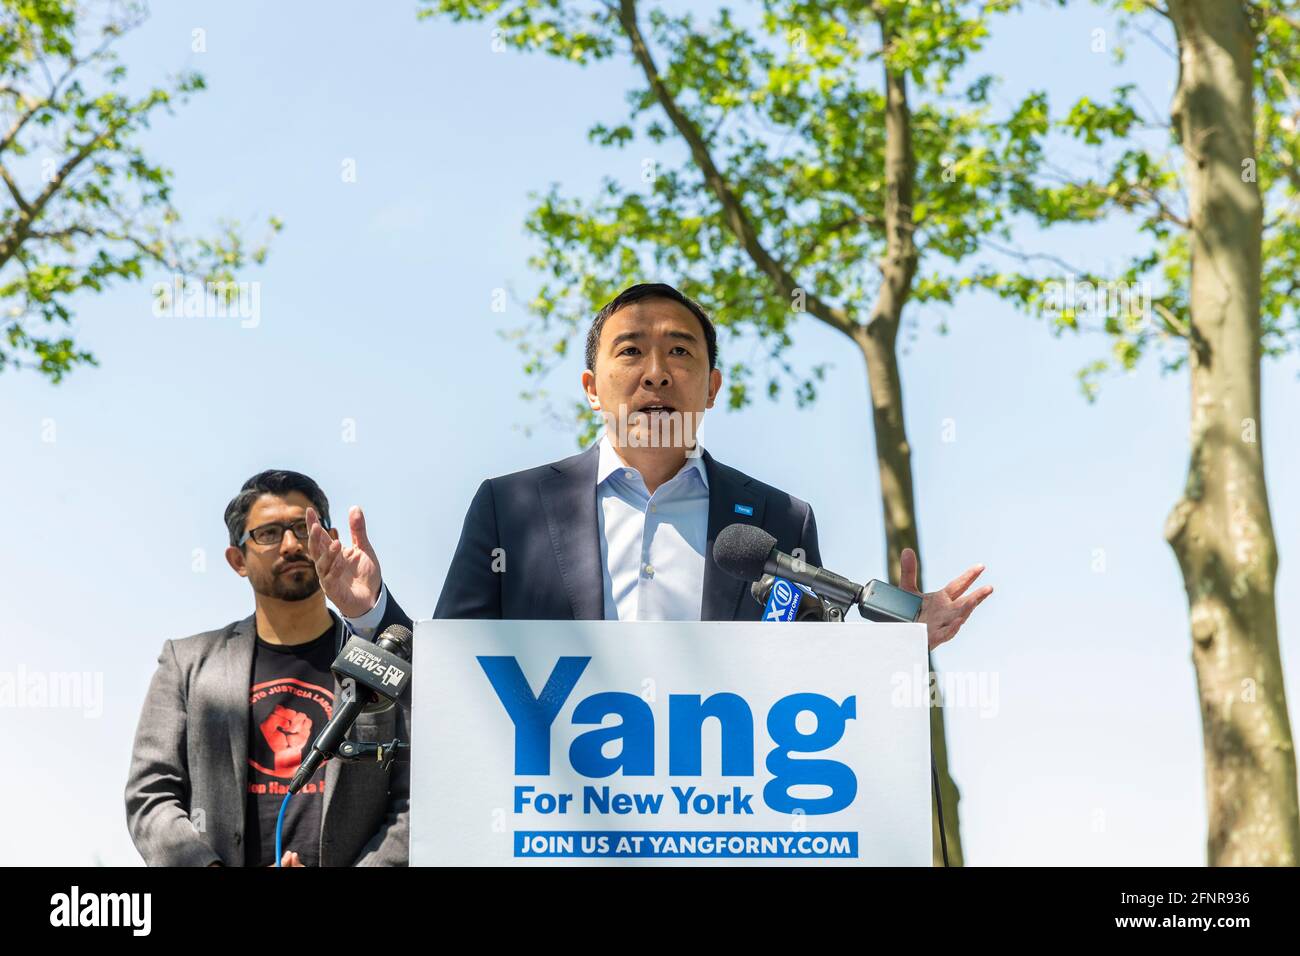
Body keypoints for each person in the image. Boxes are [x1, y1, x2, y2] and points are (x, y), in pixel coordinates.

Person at [306, 282, 992, 645]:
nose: (657, 373)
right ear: (590, 388)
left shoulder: (781, 519)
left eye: (681, 353)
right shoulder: (508, 508)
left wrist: (897, 648)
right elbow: (451, 679)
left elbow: (805, 677)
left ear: (713, 387)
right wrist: (370, 615)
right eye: (631, 351)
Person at [125, 470, 409, 866]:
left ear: (330, 540)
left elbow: (419, 790)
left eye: (301, 528)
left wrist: (368, 613)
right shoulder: (186, 664)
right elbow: (150, 796)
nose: (291, 544)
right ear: (237, 559)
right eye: (268, 533)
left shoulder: (377, 655)